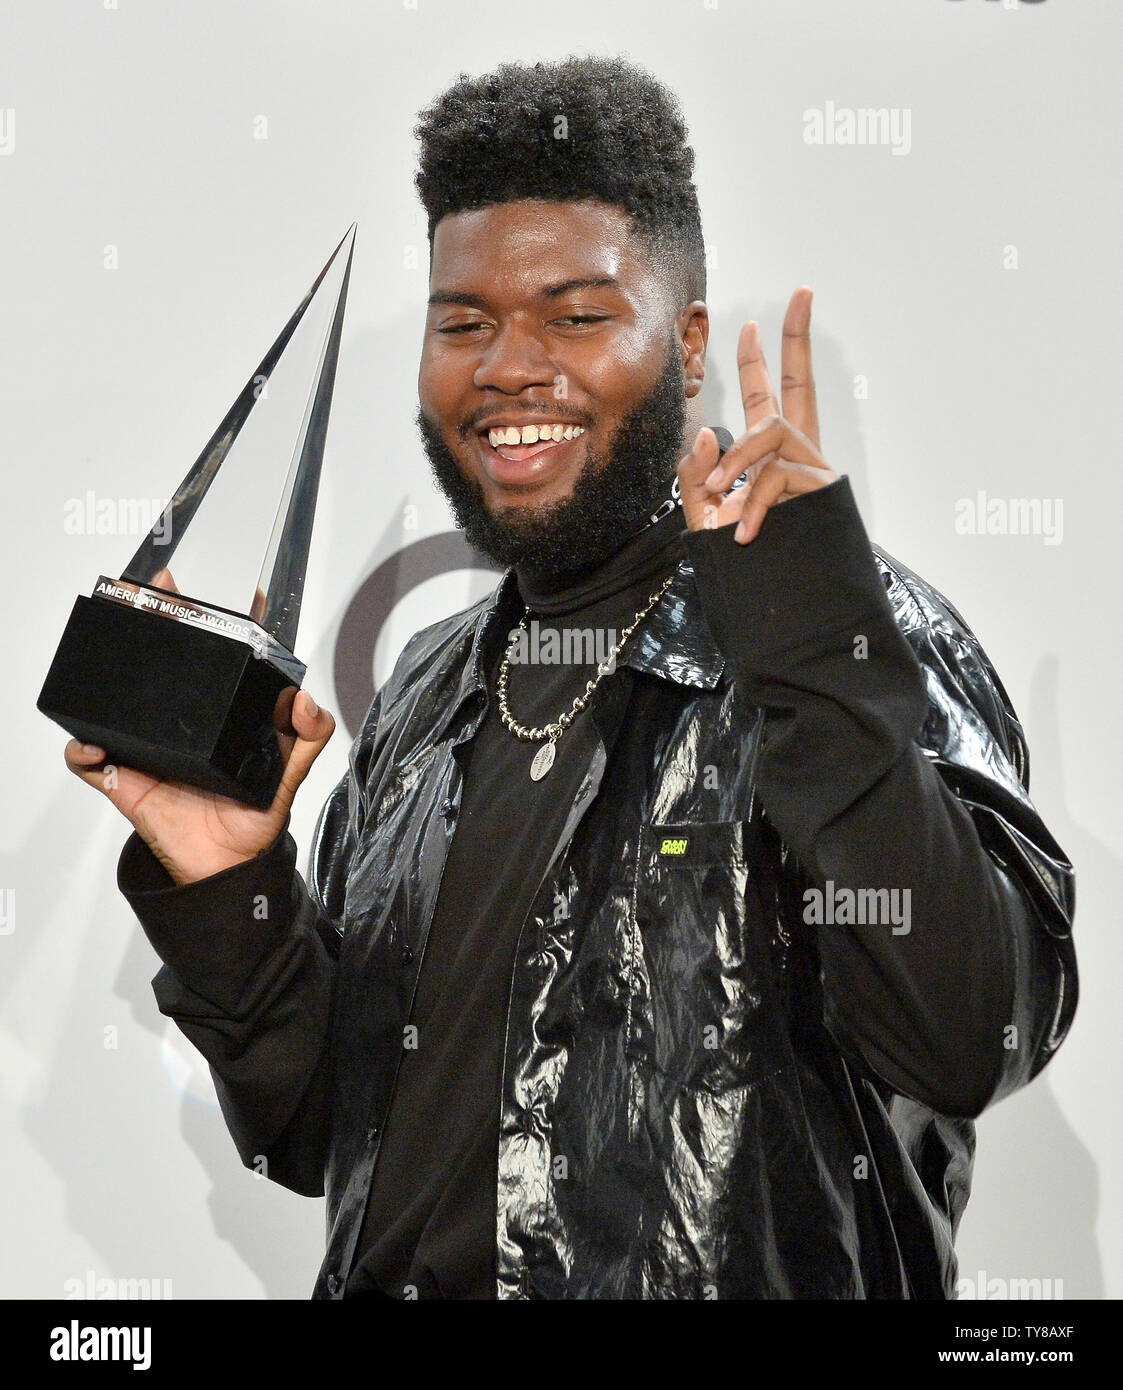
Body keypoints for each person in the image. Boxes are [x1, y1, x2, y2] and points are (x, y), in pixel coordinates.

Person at [64, 55, 1077, 1300]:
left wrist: (817, 652)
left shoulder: (861, 638)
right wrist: (230, 891)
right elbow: (326, 1133)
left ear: (687, 339)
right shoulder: (428, 700)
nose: (508, 367)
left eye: (578, 315)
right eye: (463, 322)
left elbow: (969, 1034)